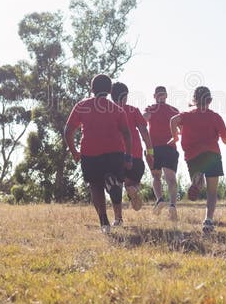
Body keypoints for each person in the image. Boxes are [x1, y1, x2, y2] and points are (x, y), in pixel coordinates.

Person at [64, 74, 132, 233]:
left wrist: (74, 152)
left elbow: (68, 131)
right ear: (110, 90)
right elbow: (127, 134)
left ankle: (104, 222)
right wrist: (128, 156)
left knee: (95, 186)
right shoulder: (117, 109)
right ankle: (112, 184)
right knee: (115, 180)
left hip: (90, 153)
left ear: (92, 88)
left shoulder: (82, 106)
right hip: (115, 153)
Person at [170, 86, 226, 233]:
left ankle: (197, 181)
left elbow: (173, 120)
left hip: (193, 156)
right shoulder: (215, 117)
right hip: (212, 154)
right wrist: (223, 138)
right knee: (212, 191)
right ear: (210, 100)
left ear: (194, 100)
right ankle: (208, 220)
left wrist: (175, 136)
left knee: (199, 180)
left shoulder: (186, 115)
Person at [110, 81, 153, 220]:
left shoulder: (108, 111)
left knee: (116, 186)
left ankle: (118, 218)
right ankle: (133, 189)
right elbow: (144, 131)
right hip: (135, 156)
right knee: (133, 182)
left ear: (112, 96)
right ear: (125, 96)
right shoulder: (133, 110)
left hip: (115, 155)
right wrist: (150, 151)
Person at [143, 85, 180, 221]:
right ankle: (173, 205)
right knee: (171, 179)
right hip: (170, 148)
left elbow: (143, 119)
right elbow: (182, 127)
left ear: (155, 96)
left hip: (154, 148)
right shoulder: (174, 110)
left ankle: (159, 199)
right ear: (166, 95)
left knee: (156, 176)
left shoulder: (151, 108)